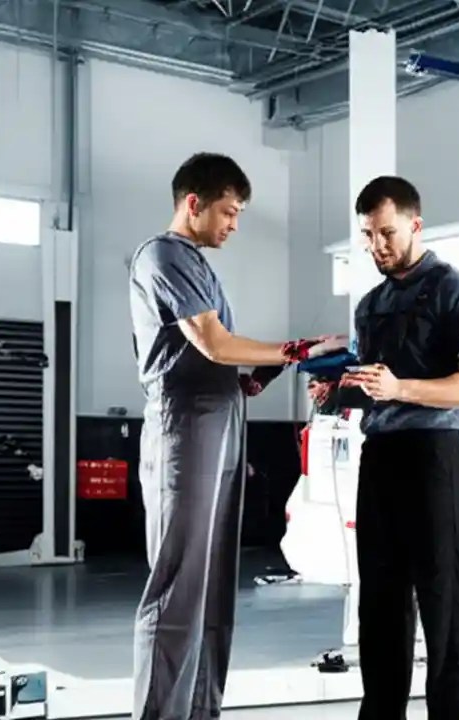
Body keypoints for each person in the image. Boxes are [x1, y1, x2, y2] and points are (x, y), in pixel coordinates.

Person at [128, 151, 343, 720]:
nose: (234, 224)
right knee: (178, 585)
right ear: (193, 204)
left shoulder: (198, 264)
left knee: (215, 587)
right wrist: (292, 349)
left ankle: (201, 710)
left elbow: (228, 364)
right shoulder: (162, 256)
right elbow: (214, 344)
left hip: (221, 420)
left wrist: (278, 365)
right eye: (229, 211)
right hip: (184, 428)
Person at [311, 175, 459, 720]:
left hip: (433, 457)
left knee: (445, 603)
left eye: (387, 233)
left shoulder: (456, 291)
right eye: (368, 236)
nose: (377, 246)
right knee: (381, 604)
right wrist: (338, 391)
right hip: (381, 461)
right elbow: (373, 386)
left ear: (415, 224)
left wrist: (400, 389)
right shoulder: (369, 305)